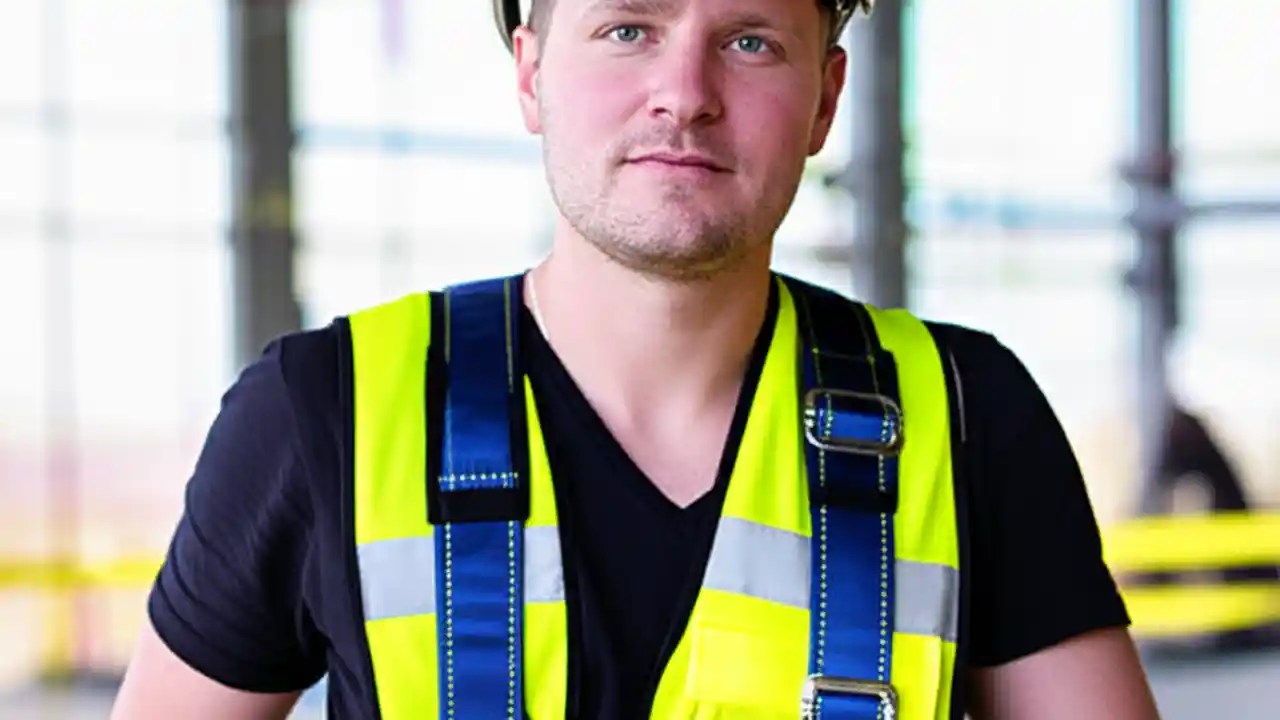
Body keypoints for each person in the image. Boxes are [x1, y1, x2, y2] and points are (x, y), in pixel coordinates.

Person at [111, 0, 1160, 718]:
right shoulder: (319, 416)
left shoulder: (963, 417)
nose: (684, 92)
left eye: (748, 40)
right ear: (530, 72)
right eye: (626, 28)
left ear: (826, 100)